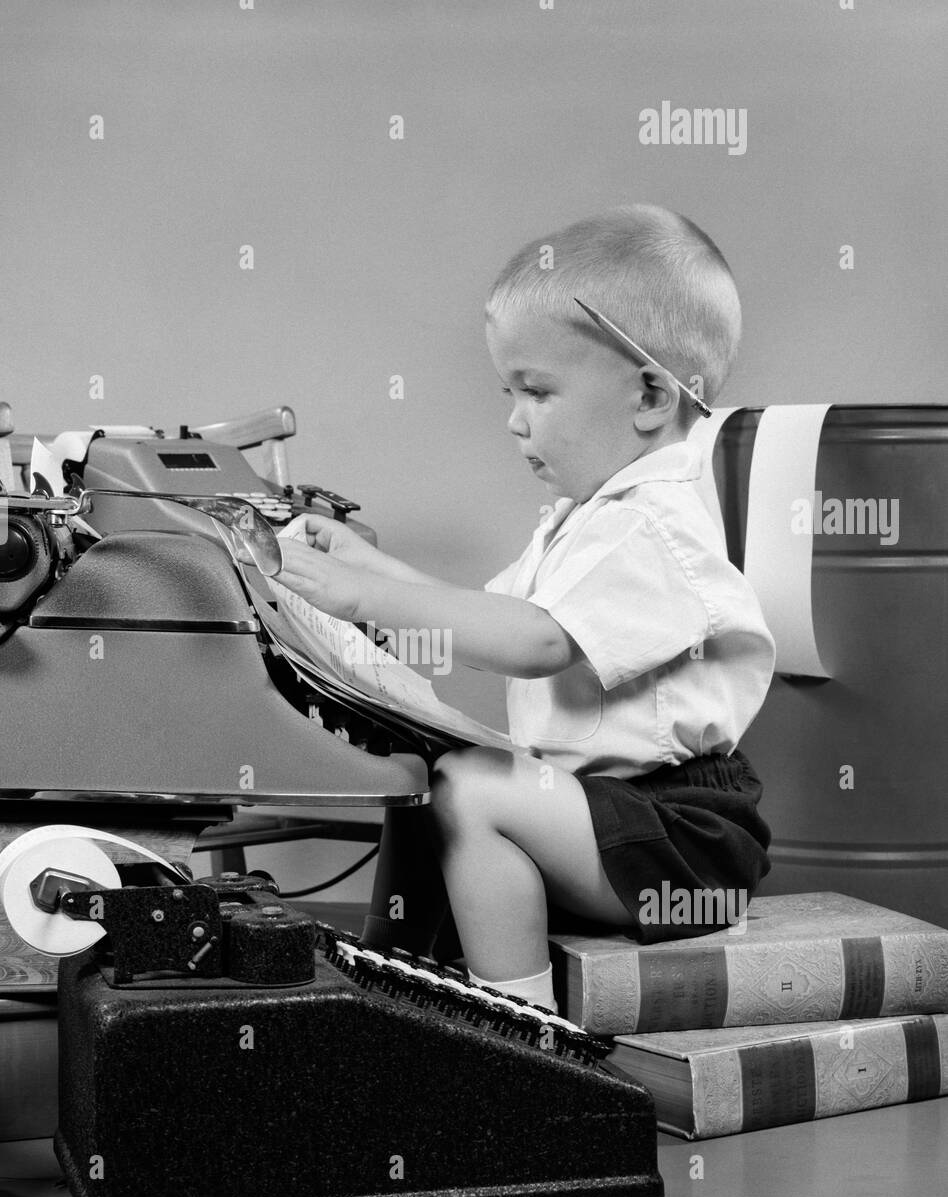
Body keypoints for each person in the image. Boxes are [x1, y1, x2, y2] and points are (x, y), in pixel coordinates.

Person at [276, 204, 775, 1011]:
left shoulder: (652, 527)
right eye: (509, 390)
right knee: (427, 772)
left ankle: (520, 1036)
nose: (513, 421)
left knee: (473, 789)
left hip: (682, 844)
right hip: (605, 821)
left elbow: (536, 642)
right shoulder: (590, 516)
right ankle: (398, 997)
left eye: (535, 392)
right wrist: (371, 564)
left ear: (649, 394)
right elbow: (485, 621)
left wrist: (367, 593)